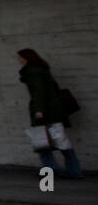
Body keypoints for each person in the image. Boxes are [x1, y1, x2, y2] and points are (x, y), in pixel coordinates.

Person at [17, 48, 82, 178]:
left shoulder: (33, 72)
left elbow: (38, 92)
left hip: (46, 114)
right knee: (59, 142)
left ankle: (57, 170)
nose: (19, 60)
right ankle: (71, 170)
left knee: (43, 142)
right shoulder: (41, 69)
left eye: (20, 57)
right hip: (53, 112)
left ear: (26, 58)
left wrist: (39, 110)